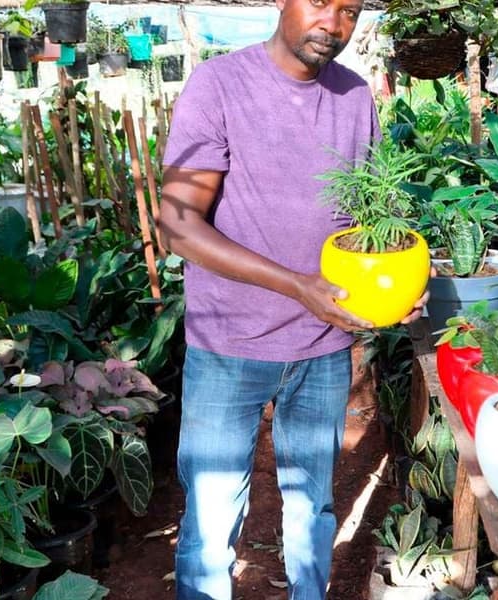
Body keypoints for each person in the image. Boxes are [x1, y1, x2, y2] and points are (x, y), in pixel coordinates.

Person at [155, 0, 427, 598]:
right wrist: (297, 286)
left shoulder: (356, 96)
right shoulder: (219, 85)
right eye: (320, 3)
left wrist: (397, 280)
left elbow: (370, 219)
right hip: (231, 343)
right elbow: (177, 226)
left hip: (323, 345)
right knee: (210, 517)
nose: (333, 23)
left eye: (350, 10)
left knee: (312, 506)